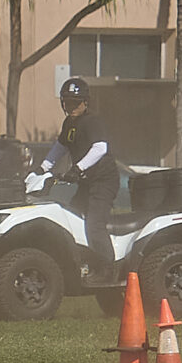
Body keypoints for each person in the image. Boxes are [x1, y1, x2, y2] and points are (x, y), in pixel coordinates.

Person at [36, 77, 119, 285]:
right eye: (67, 102)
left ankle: (108, 269)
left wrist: (78, 168)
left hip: (103, 181)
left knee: (94, 224)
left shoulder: (93, 122)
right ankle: (85, 264)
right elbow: (60, 147)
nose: (71, 107)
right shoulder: (69, 123)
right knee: (71, 220)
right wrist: (42, 168)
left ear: (86, 102)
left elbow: (100, 148)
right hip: (87, 182)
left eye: (76, 102)